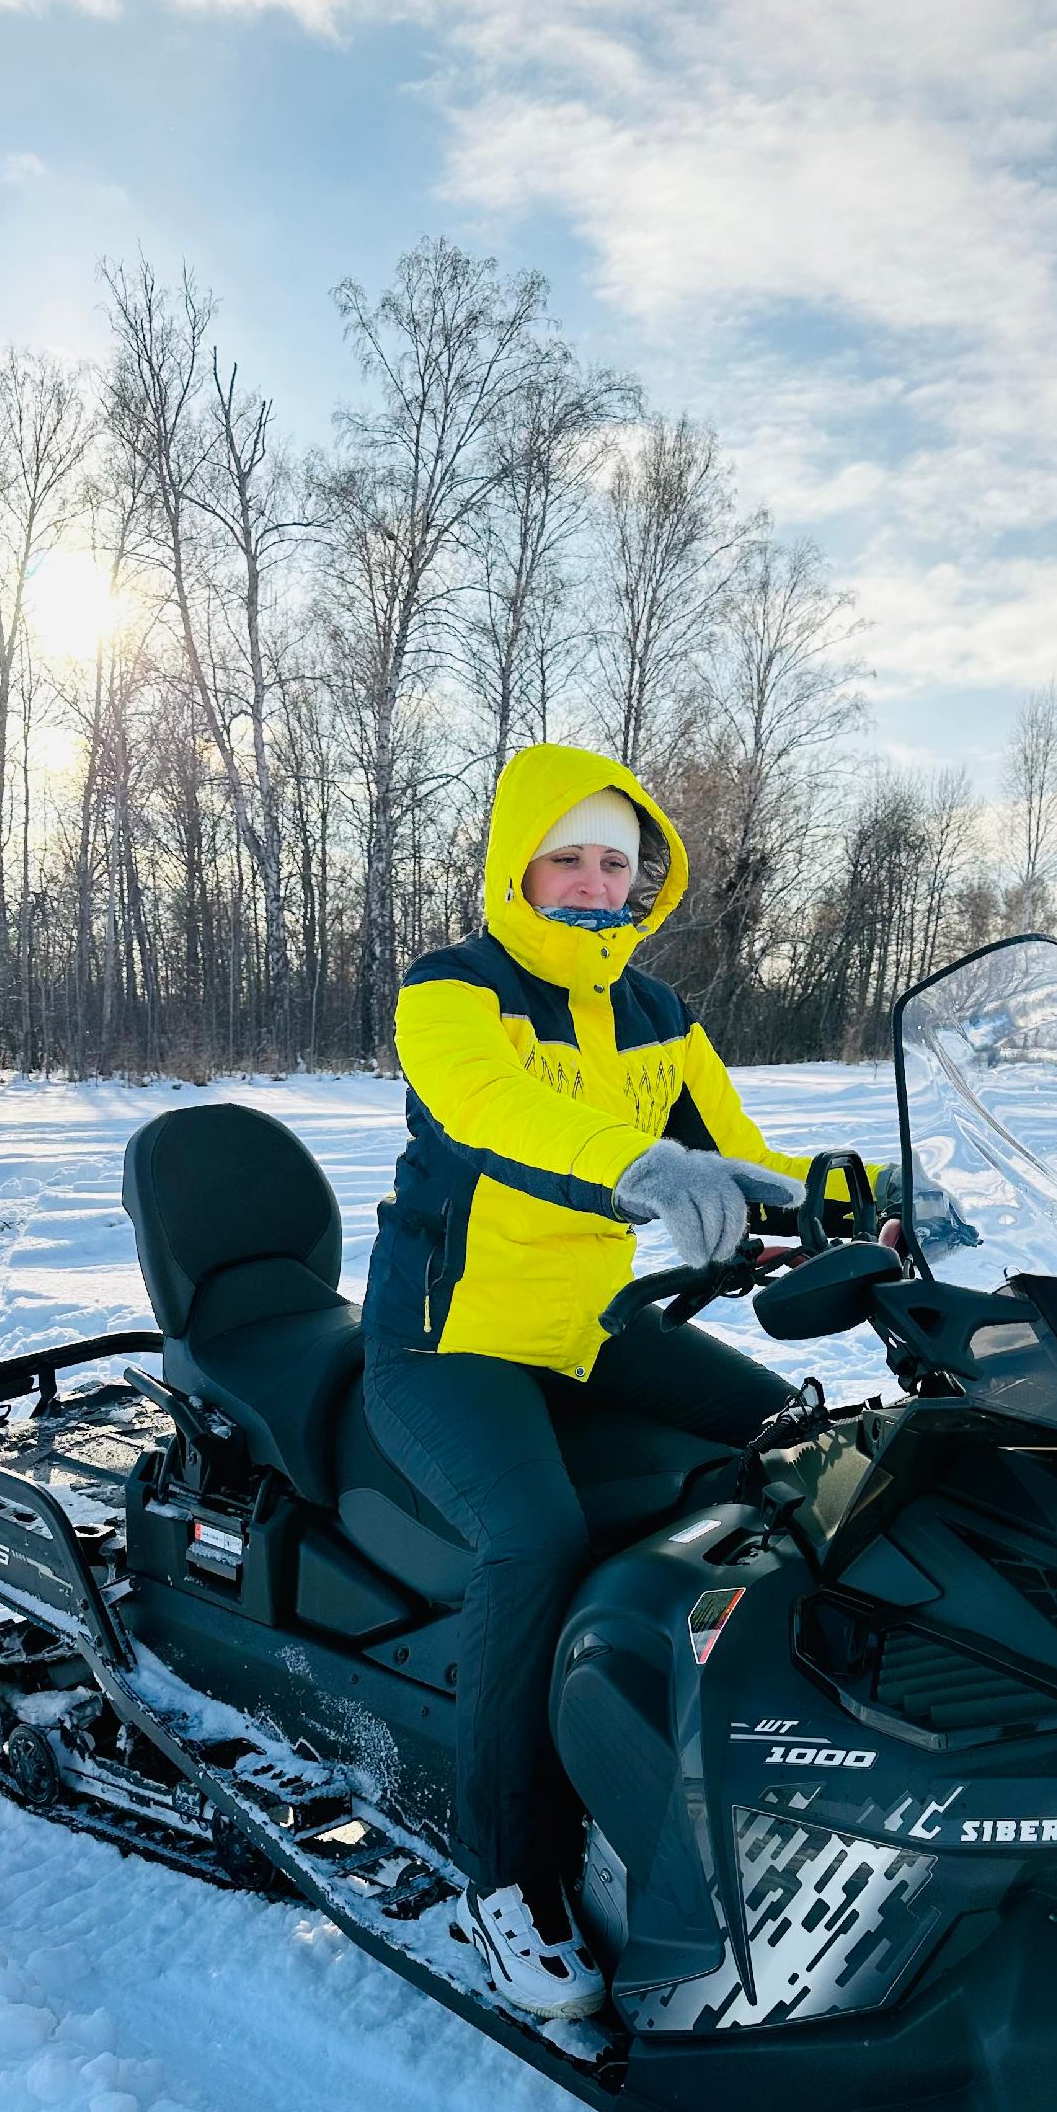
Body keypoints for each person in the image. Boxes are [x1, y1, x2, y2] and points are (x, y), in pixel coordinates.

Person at [360, 741, 825, 2019]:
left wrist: (860, 1196)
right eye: (565, 856)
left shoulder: (658, 1013)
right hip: (449, 1338)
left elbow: (738, 1150)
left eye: (614, 862)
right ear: (517, 865)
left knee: (794, 1439)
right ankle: (507, 1873)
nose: (592, 881)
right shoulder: (452, 990)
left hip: (591, 1329)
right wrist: (635, 1167)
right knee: (536, 1537)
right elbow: (494, 1111)